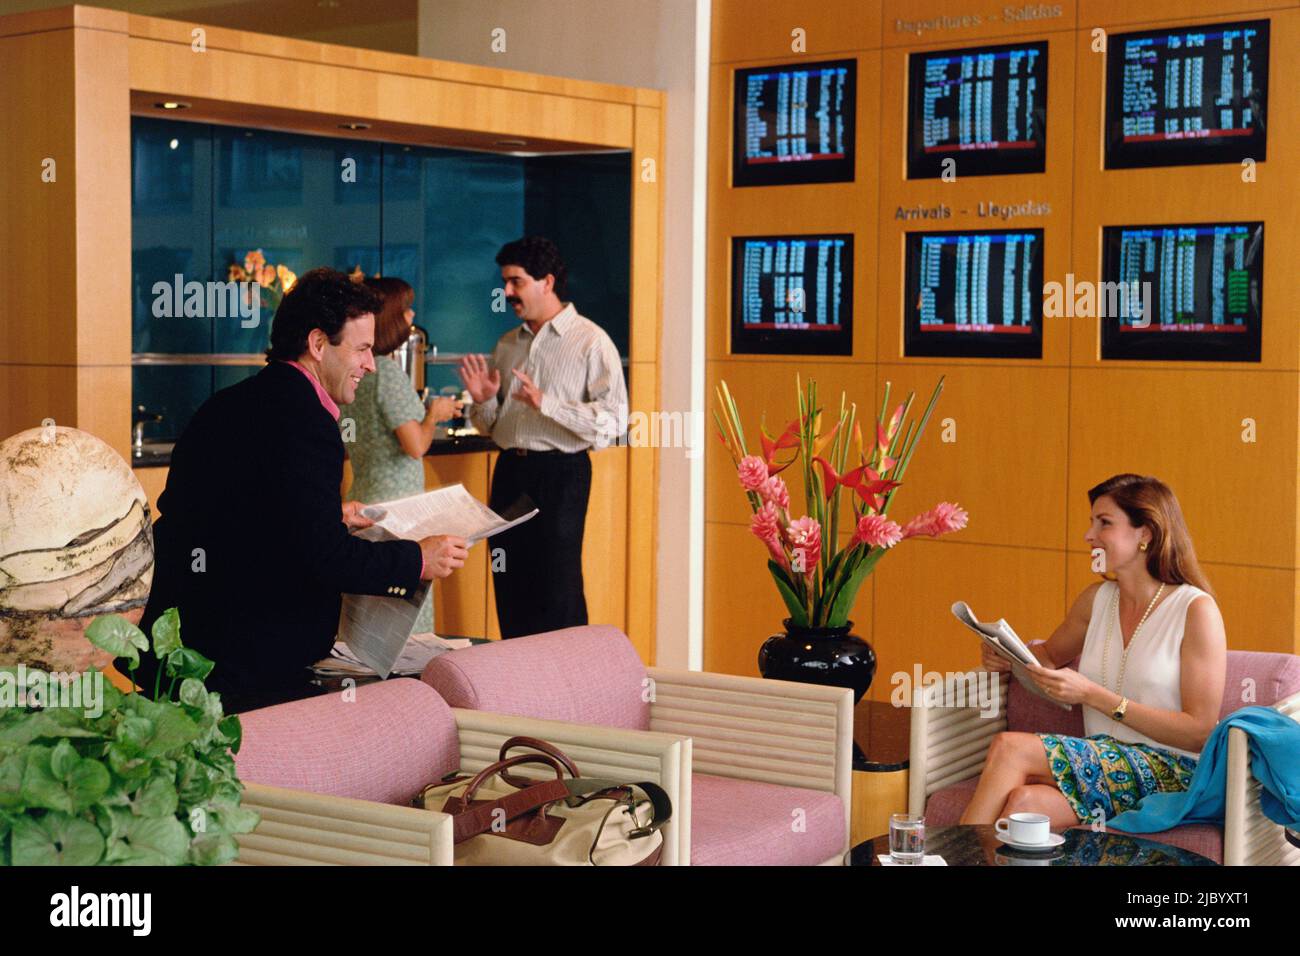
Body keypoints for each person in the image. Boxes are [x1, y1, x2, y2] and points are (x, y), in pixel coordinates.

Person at [127, 268, 470, 712]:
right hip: (249, 665)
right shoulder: (308, 423)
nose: (370, 363)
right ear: (317, 344)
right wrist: (419, 558)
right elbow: (323, 558)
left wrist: (329, 513)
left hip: (182, 648)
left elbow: (223, 513)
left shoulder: (226, 403)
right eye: (362, 349)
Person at [959, 473, 1228, 828]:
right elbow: (1048, 658)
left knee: (1010, 748)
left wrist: (1095, 696)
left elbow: (1201, 730)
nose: (1089, 535)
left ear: (1145, 533)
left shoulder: (1194, 609)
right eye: (1091, 522)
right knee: (1025, 805)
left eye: (1104, 523)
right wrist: (1005, 658)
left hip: (1172, 770)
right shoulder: (1095, 601)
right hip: (1103, 762)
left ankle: (944, 856)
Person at [458, 236, 626, 639]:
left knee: (557, 585)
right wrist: (482, 403)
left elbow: (615, 422)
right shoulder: (506, 345)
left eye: (516, 282)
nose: (508, 292)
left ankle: (571, 686)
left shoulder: (590, 341)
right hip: (510, 472)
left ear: (546, 281)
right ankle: (520, 688)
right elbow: (494, 427)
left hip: (561, 475)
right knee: (510, 582)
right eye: (505, 282)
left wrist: (547, 404)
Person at [342, 276, 462, 636]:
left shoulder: (354, 374)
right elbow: (415, 445)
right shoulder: (386, 373)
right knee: (405, 626)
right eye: (407, 307)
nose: (412, 314)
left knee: (368, 622)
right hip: (400, 513)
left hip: (363, 501)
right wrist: (434, 414)